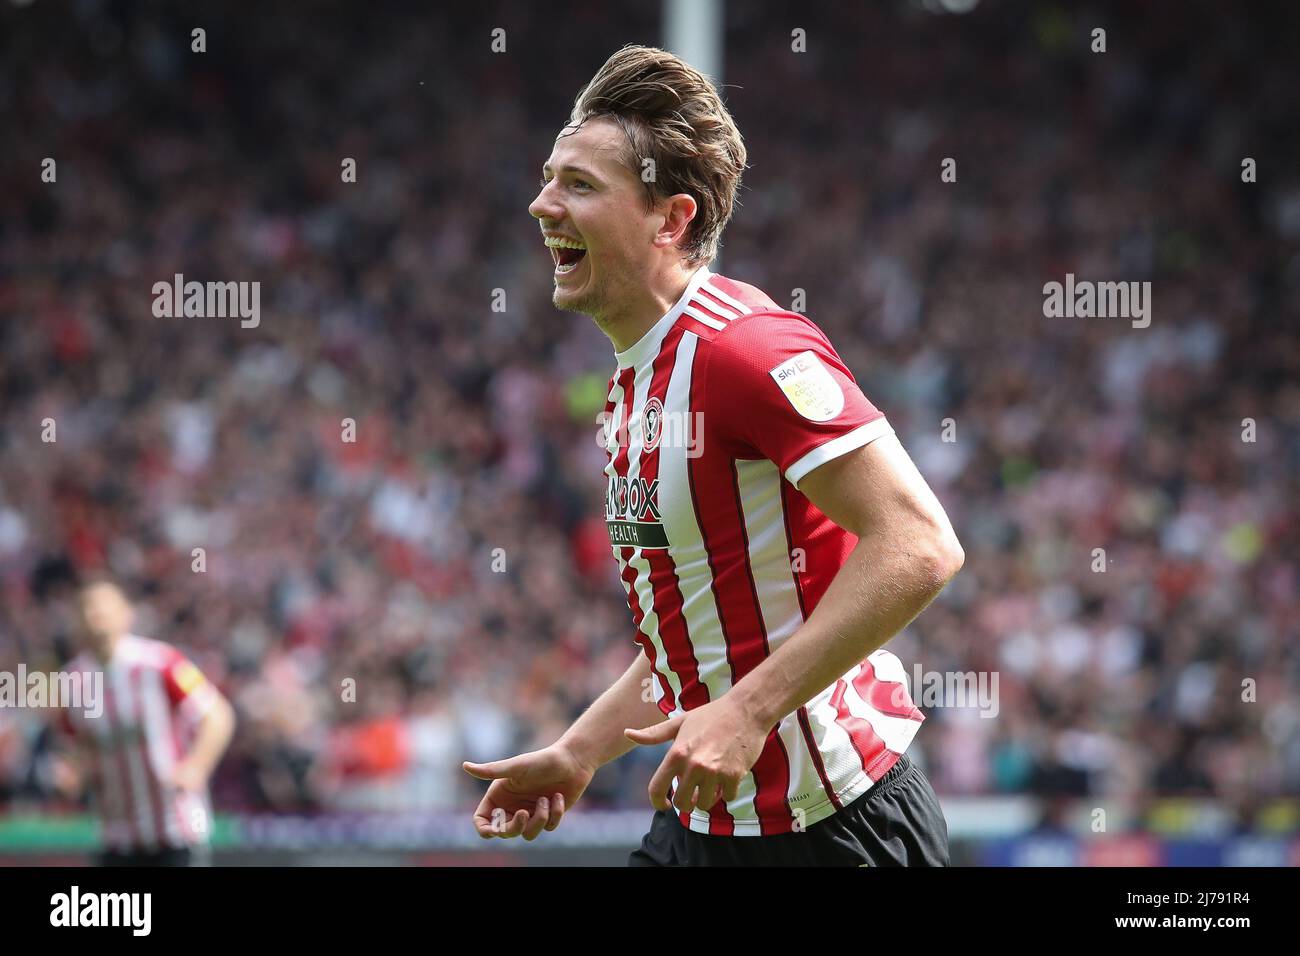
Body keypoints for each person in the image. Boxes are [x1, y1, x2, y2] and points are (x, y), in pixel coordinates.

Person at [464, 44, 963, 866]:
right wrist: (581, 750)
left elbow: (920, 544)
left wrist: (749, 711)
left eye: (579, 185)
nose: (540, 204)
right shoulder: (634, 378)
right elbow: (699, 633)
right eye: (551, 177)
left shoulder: (747, 349)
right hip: (704, 826)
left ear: (672, 219)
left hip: (837, 827)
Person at [55, 579, 236, 866]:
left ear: (127, 613)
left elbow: (217, 714)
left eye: (103, 606)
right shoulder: (71, 683)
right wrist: (73, 773)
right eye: (86, 608)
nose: (94, 615)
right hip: (116, 838)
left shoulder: (160, 663)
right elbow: (76, 749)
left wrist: (196, 766)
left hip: (175, 832)